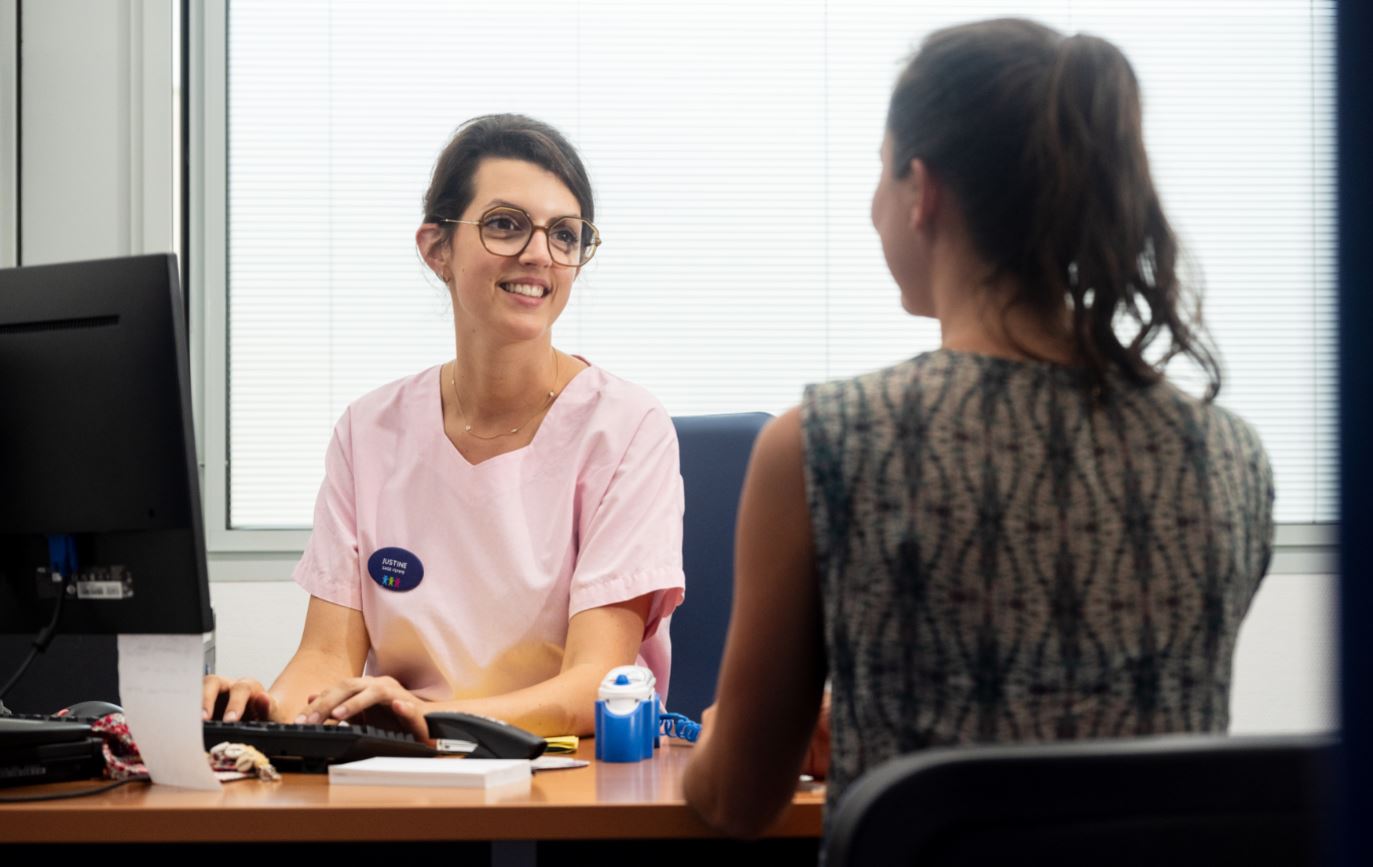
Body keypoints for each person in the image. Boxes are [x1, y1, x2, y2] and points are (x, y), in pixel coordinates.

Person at [684, 18, 1275, 838]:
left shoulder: (825, 441)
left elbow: (736, 802)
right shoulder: (1233, 458)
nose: (872, 206)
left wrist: (719, 736)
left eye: (879, 176)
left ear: (920, 191)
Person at [203, 115, 686, 738]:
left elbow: (596, 682)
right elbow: (325, 659)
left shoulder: (626, 427)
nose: (539, 253)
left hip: (566, 774)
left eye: (564, 235)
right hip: (404, 770)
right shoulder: (368, 431)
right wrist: (262, 712)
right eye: (506, 225)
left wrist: (430, 718)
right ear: (437, 249)